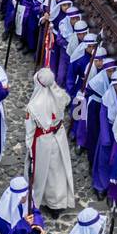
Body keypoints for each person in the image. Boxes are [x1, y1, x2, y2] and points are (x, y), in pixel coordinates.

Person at [24, 67, 74, 215]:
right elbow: (67, 99)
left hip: (43, 141)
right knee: (57, 170)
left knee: (42, 171)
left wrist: (29, 149)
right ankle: (57, 202)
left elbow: (30, 130)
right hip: (59, 135)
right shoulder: (59, 95)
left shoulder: (33, 106)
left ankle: (43, 201)